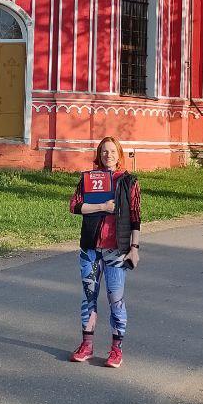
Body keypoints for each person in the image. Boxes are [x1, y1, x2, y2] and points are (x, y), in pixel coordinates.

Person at [68, 136, 141, 368]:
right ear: (99, 155)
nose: (108, 155)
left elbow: (135, 216)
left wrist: (134, 248)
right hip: (90, 249)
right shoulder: (89, 179)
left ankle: (116, 350)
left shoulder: (129, 181)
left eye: (112, 151)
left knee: (115, 299)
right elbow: (75, 206)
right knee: (88, 297)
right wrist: (102, 207)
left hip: (116, 250)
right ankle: (87, 345)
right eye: (104, 151)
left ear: (119, 154)